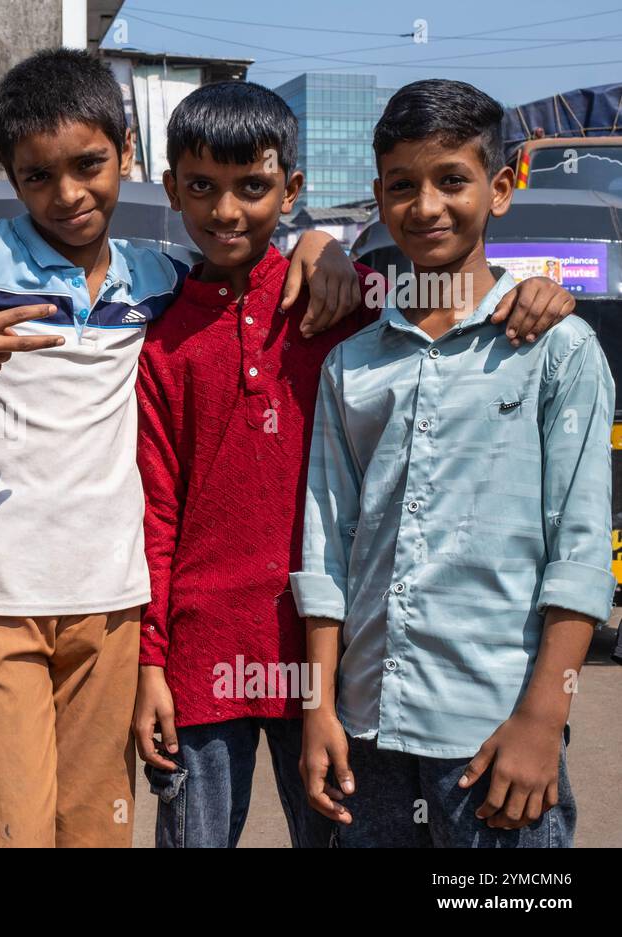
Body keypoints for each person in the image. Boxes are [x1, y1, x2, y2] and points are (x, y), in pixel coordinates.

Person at [0, 47, 367, 848]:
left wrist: (319, 245)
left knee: (97, 829)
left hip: (113, 606)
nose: (68, 194)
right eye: (38, 176)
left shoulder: (156, 280)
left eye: (90, 165)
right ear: (11, 173)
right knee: (9, 831)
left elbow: (247, 263)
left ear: (128, 155)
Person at [133, 80, 573, 849]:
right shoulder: (162, 340)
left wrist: (542, 291)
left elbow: (454, 299)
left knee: (337, 836)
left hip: (328, 665)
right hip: (202, 658)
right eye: (201, 187)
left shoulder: (352, 307)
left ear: (292, 189)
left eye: (254, 186)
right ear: (172, 189)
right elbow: (156, 515)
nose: (226, 210)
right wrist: (150, 662)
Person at [293, 79, 613, 847]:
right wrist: (319, 707)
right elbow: (325, 547)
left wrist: (543, 718)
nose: (427, 206)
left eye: (452, 180)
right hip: (366, 732)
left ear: (499, 189)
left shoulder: (555, 349)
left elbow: (579, 551)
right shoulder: (353, 364)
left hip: (496, 733)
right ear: (377, 196)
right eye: (403, 185)